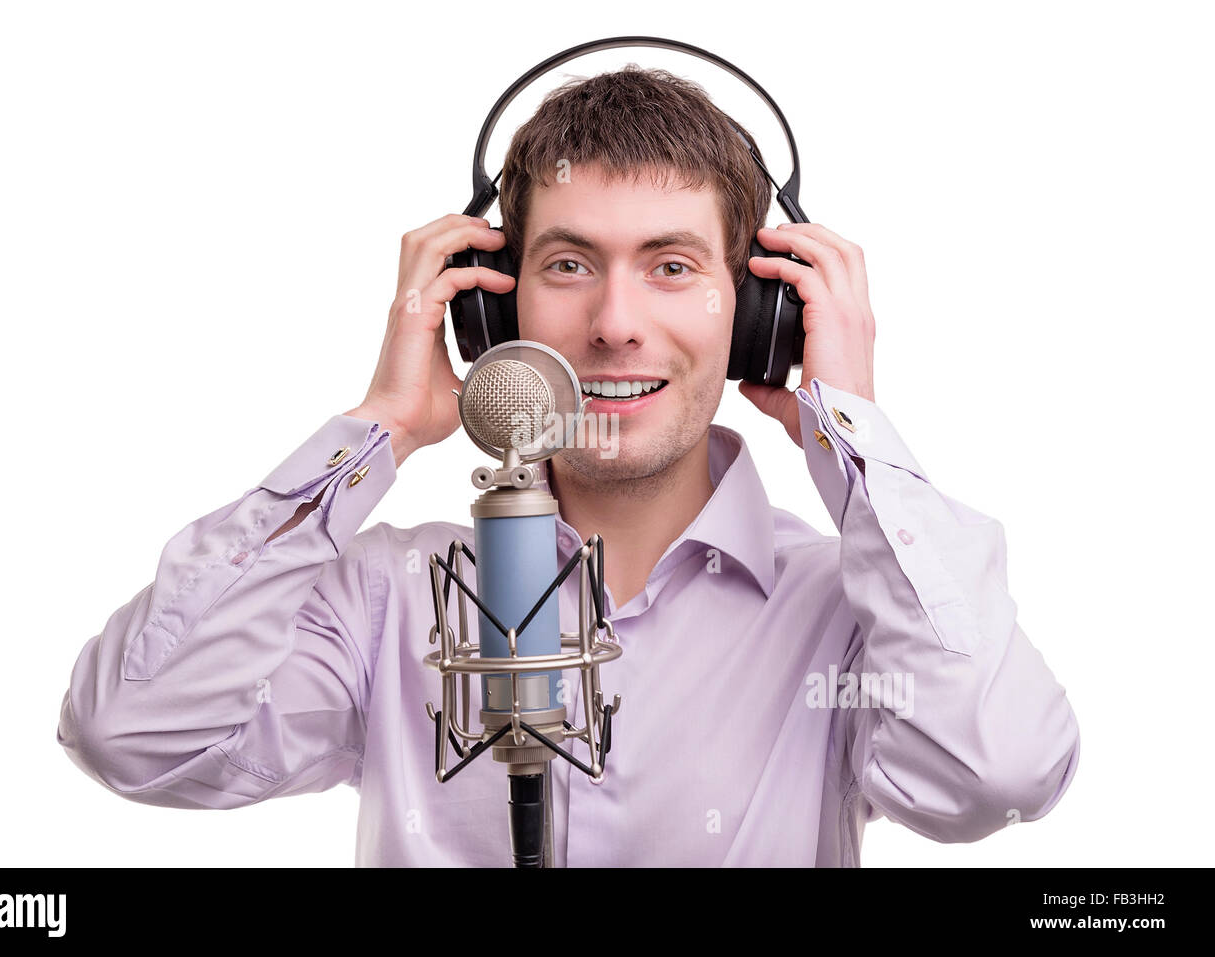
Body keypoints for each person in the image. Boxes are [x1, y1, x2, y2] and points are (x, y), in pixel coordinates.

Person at [57, 66, 1080, 866]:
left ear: (762, 313)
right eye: (568, 265)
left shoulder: (853, 615)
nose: (615, 325)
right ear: (491, 307)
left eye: (672, 267)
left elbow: (993, 775)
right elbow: (132, 735)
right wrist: (378, 429)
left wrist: (849, 433)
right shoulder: (385, 602)